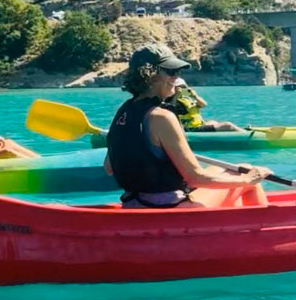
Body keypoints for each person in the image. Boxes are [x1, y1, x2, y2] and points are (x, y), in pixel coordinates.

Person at [105, 45, 269, 209]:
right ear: (151, 75)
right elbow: (195, 178)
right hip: (168, 210)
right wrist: (249, 179)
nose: (176, 78)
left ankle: (230, 226)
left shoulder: (123, 111)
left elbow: (109, 167)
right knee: (247, 174)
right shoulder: (161, 117)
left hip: (133, 203)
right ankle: (264, 228)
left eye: (178, 72)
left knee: (218, 169)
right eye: (171, 72)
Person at [165, 77, 245, 133]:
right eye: (179, 87)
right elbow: (170, 109)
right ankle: (245, 134)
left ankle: (238, 131)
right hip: (189, 129)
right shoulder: (170, 99)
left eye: (183, 87)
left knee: (213, 121)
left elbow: (203, 105)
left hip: (197, 126)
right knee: (227, 125)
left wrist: (195, 96)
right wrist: (176, 95)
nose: (182, 89)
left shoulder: (187, 98)